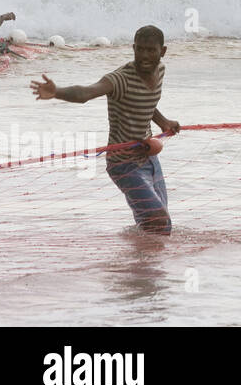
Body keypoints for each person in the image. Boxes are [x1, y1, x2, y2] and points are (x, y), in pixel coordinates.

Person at [30, 25, 181, 234]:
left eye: (151, 50)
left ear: (162, 52)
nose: (144, 55)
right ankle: (140, 258)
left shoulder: (160, 70)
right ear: (133, 48)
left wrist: (163, 122)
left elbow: (144, 102)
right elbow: (85, 93)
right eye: (140, 49)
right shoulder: (120, 79)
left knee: (156, 220)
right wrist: (57, 92)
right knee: (159, 221)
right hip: (124, 164)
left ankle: (139, 260)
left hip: (148, 157)